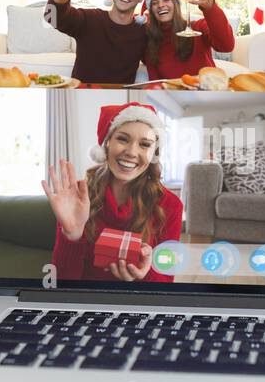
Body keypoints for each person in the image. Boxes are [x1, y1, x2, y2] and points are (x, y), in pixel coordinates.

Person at [42, 102, 182, 283]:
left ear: (153, 153)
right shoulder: (77, 197)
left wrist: (146, 274)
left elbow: (165, 283)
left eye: (144, 144)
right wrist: (71, 236)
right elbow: (61, 284)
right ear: (107, 144)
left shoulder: (171, 206)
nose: (131, 152)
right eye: (123, 139)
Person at [46, 0, 150, 84]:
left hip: (119, 100)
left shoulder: (142, 32)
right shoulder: (91, 19)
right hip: (81, 95)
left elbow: (160, 59)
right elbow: (51, 17)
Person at [142, 0, 235, 80]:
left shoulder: (198, 27)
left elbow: (226, 46)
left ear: (176, 4)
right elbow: (155, 79)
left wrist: (210, 7)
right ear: (151, 11)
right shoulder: (150, 41)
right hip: (172, 94)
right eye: (154, 3)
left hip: (206, 92)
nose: (160, 5)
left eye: (166, 0)